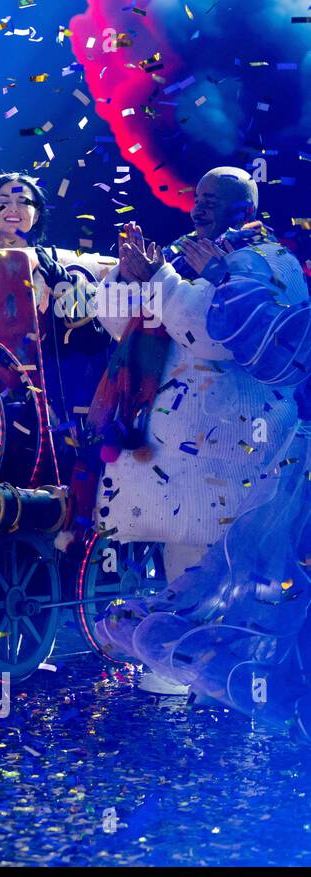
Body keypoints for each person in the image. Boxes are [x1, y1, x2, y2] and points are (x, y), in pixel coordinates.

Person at [90, 167, 309, 693]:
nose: (200, 208)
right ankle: (177, 668)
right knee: (183, 553)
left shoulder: (266, 260)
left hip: (237, 442)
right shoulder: (186, 252)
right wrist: (129, 278)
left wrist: (161, 281)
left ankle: (228, 674)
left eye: (215, 199)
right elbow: (126, 325)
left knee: (228, 559)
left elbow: (218, 334)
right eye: (199, 197)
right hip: (180, 441)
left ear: (247, 207)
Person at [0, 172, 115, 500]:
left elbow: (94, 337)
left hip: (44, 400)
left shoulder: (62, 267)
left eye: (25, 201)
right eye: (4, 201)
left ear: (38, 214)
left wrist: (59, 280)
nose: (14, 208)